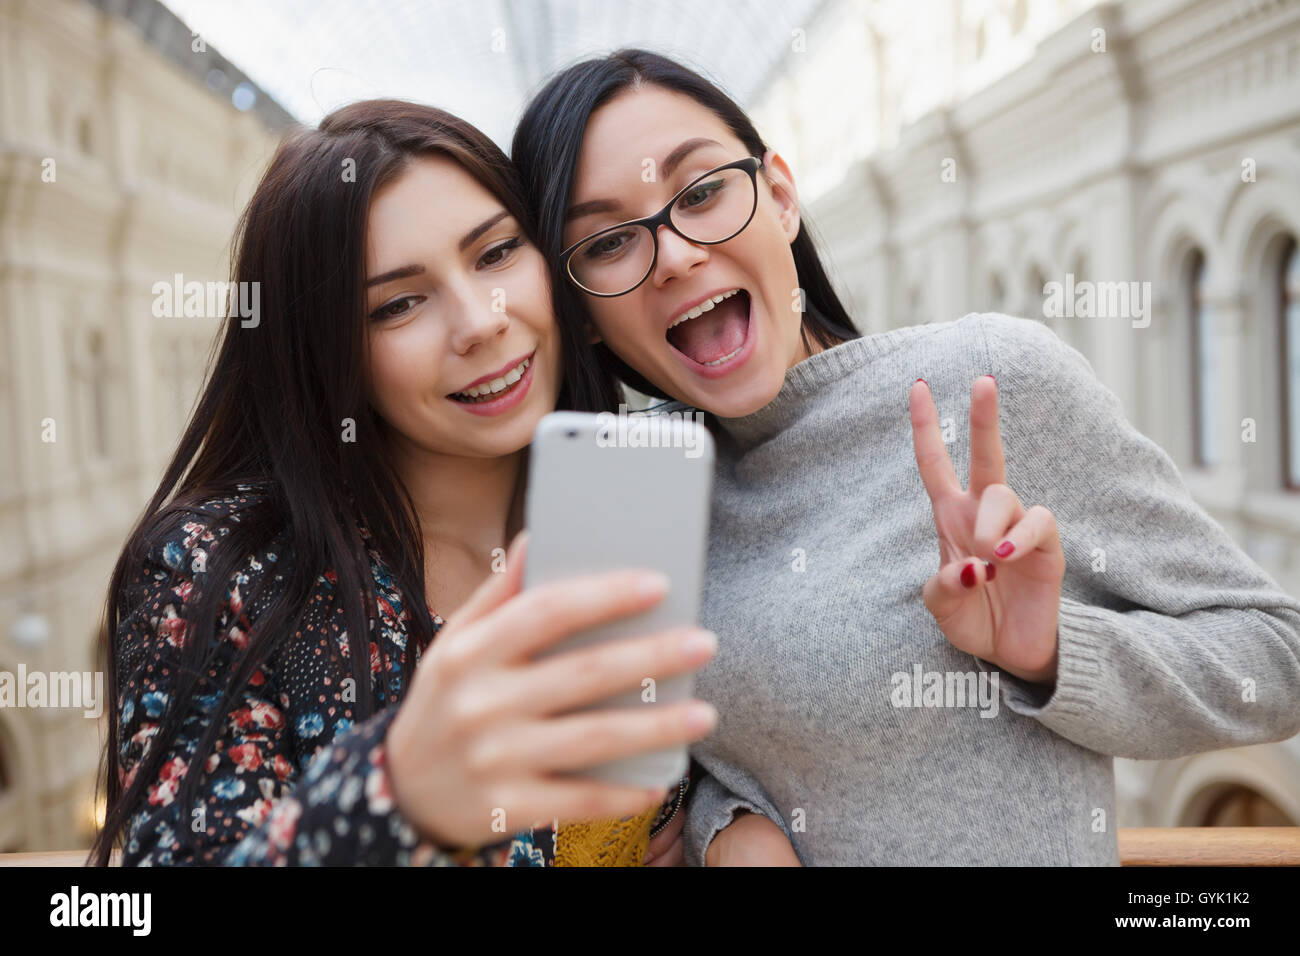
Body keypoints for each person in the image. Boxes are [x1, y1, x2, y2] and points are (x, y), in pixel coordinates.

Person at [511, 49, 1300, 865]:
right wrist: (727, 827)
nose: (674, 255)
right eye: (608, 242)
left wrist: (1049, 651)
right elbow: (724, 748)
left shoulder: (989, 380)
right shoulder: (643, 488)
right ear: (586, 316)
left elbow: (1277, 658)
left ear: (779, 196)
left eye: (703, 192)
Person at [89, 99, 720, 868]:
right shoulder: (216, 570)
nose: (479, 322)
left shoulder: (660, 484)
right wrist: (399, 794)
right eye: (397, 304)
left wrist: (727, 825)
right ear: (328, 352)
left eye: (494, 255)